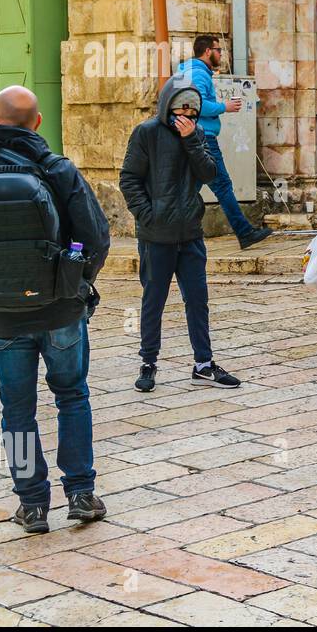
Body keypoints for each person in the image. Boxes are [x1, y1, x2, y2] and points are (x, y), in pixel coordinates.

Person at [0, 86, 111, 534]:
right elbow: (95, 238)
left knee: (17, 409)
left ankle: (32, 505)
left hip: (2, 318)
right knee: (72, 396)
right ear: (38, 123)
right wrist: (74, 286)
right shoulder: (59, 171)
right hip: (61, 313)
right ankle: (81, 494)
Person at [121, 76, 240, 394]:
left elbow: (209, 173)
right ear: (167, 107)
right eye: (180, 109)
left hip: (190, 232)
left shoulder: (198, 133)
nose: (186, 115)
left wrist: (190, 141)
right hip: (155, 235)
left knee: (198, 299)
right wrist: (148, 215)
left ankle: (203, 364)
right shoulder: (146, 133)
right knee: (153, 300)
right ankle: (148, 362)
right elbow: (129, 179)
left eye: (192, 110)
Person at [180, 36, 272, 249]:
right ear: (206, 52)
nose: (221, 54)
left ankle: (173, 227)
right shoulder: (198, 74)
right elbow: (196, 105)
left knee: (190, 187)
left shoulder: (187, 72)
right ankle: (244, 232)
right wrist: (224, 107)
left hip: (193, 136)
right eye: (218, 50)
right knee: (221, 185)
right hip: (203, 138)